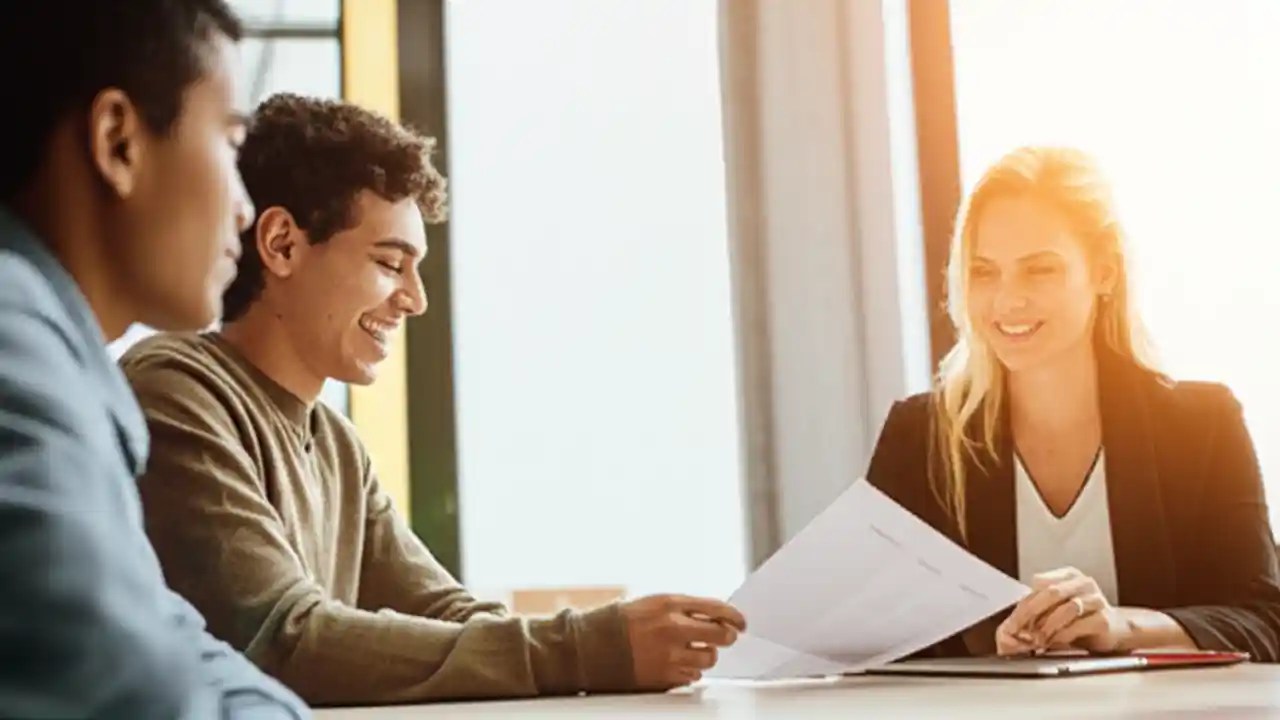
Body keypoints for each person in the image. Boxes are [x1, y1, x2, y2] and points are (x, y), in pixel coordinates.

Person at [120, 93, 746, 705]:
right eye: (391, 262)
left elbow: (447, 612)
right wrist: (589, 647)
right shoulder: (177, 390)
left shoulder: (337, 446)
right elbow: (286, 639)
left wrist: (614, 645)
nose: (415, 299)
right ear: (282, 244)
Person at [0, 2, 309, 718]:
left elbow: (178, 646)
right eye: (231, 146)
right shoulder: (18, 350)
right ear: (118, 142)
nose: (243, 209)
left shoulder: (60, 361)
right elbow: (132, 695)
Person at [866, 146, 1280, 661]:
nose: (1007, 301)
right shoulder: (920, 437)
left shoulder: (1202, 427)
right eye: (984, 272)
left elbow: (1263, 621)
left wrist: (1120, 626)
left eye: (1039, 271)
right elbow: (869, 631)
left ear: (1104, 272)